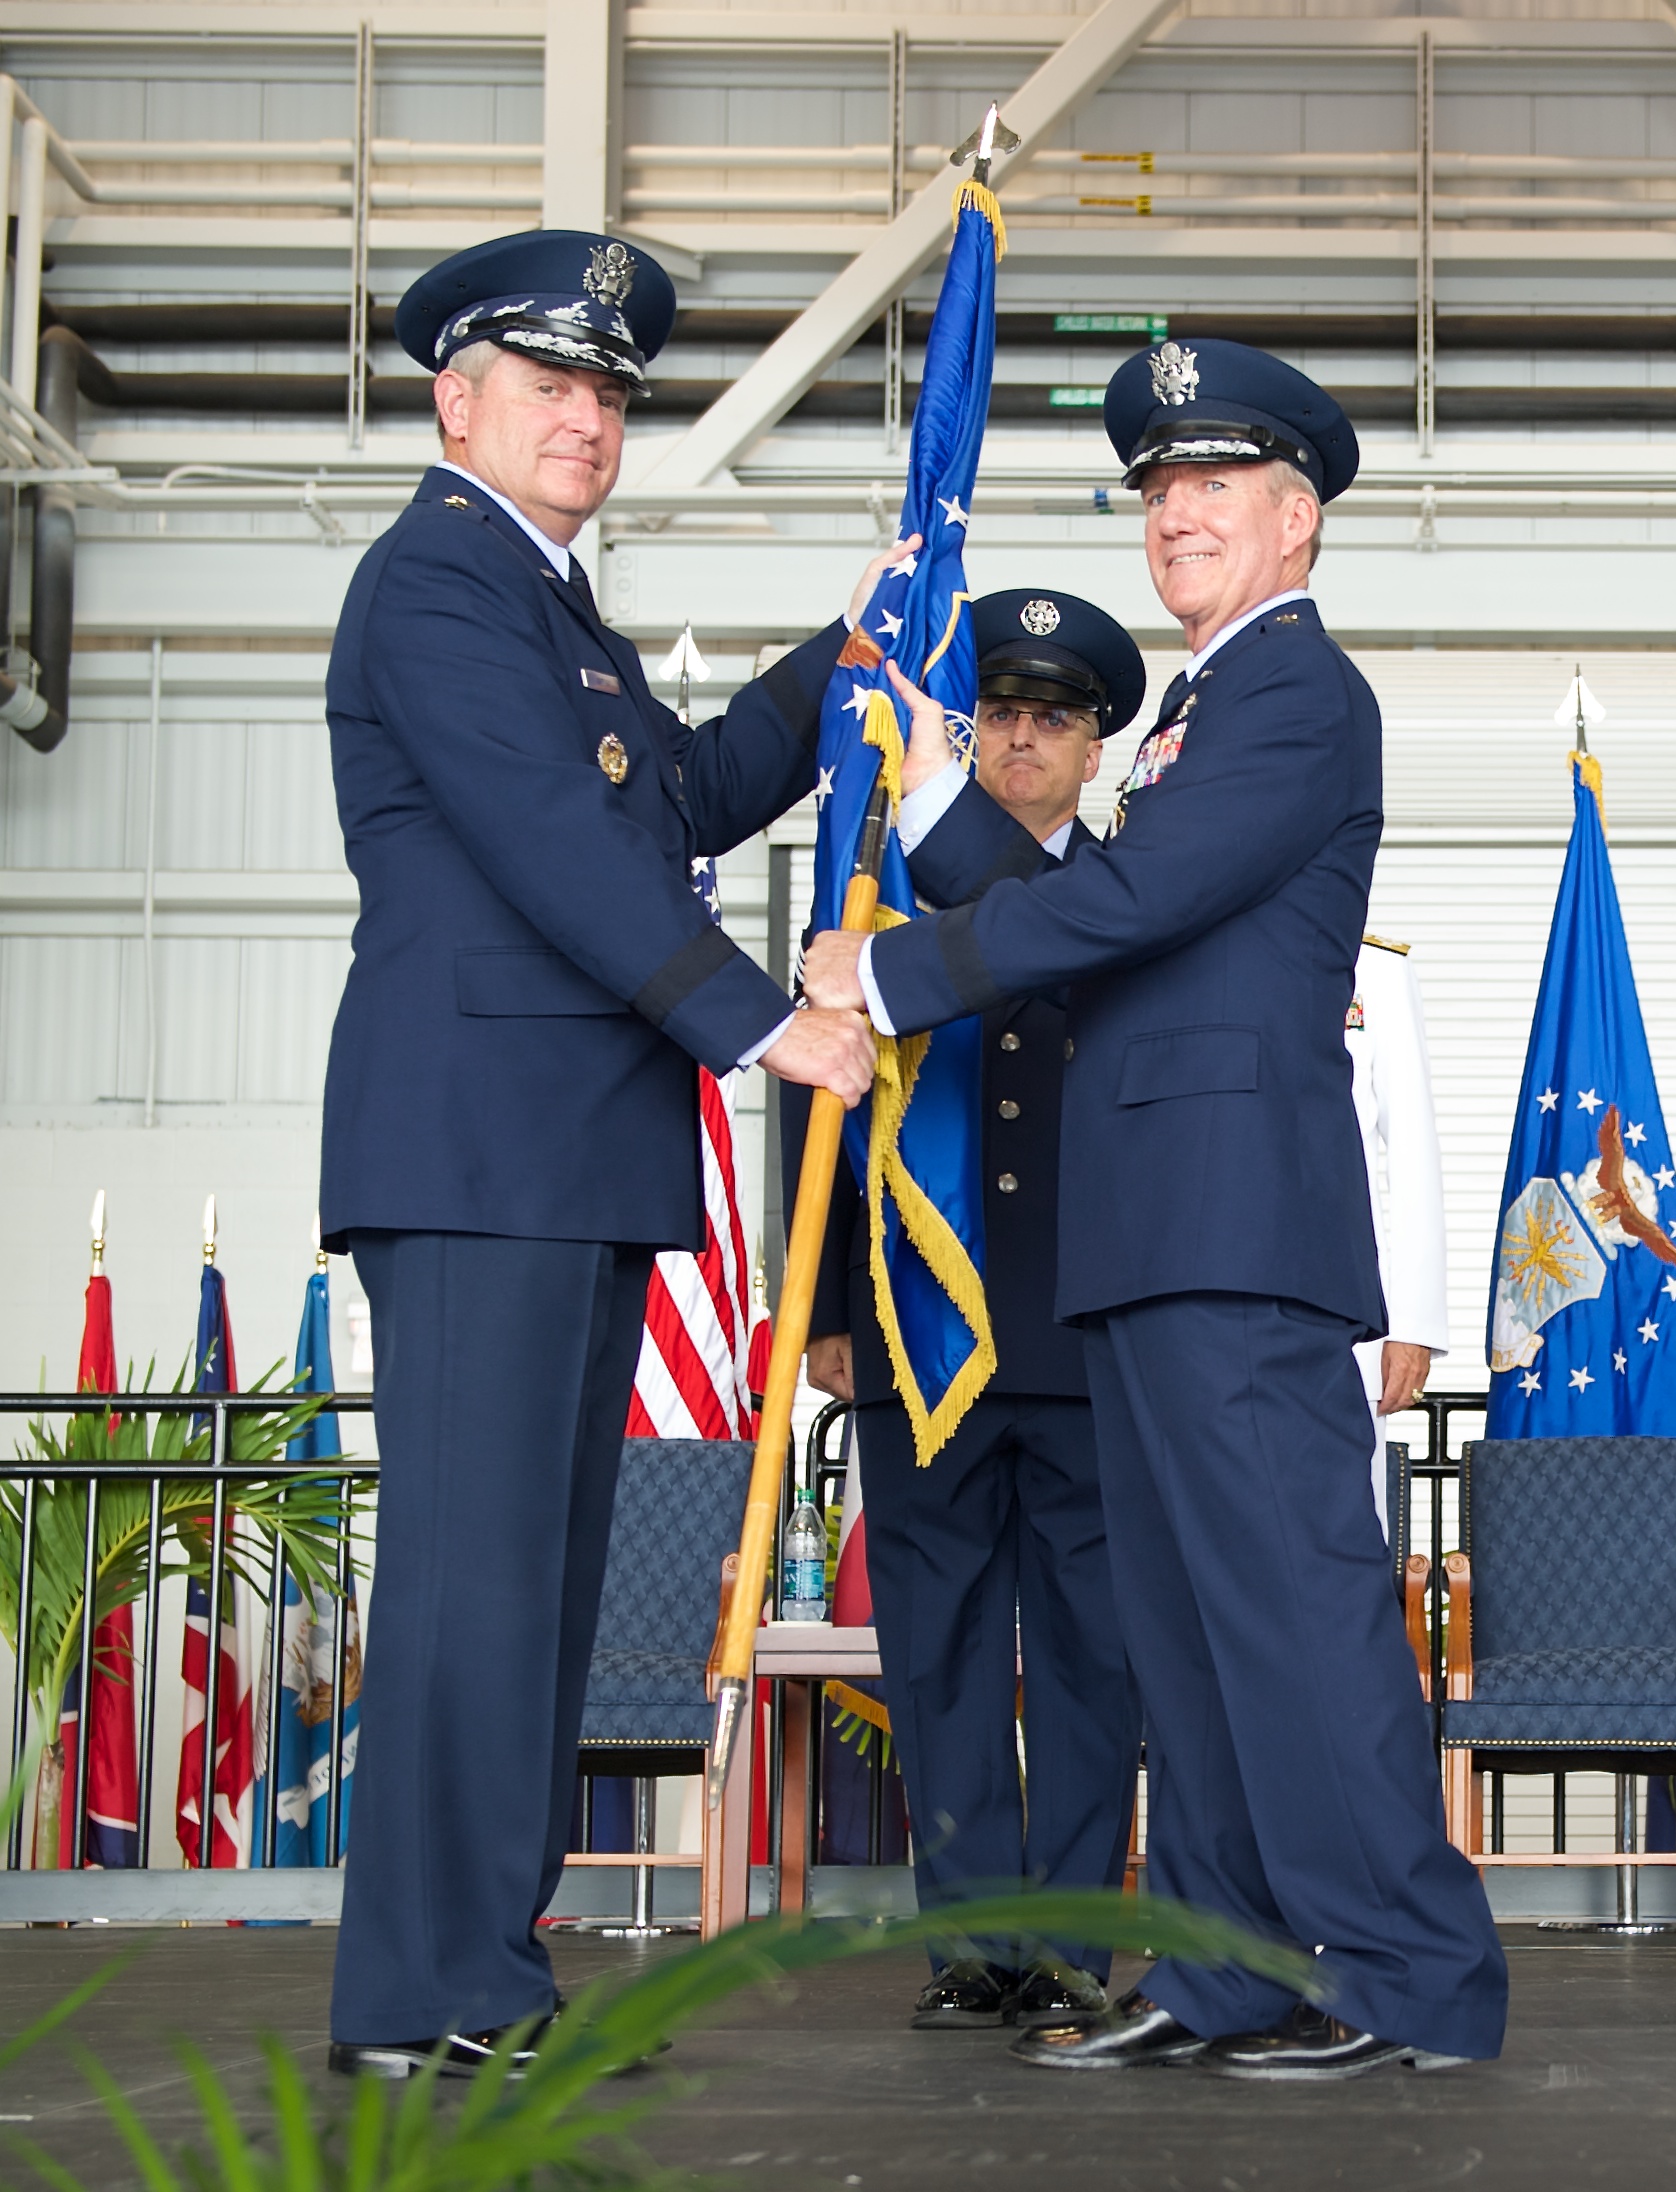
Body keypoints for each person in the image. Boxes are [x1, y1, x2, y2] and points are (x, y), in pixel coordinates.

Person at [802, 339, 1508, 2079]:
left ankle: (1415, 1973)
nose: (1172, 511)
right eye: (1154, 491)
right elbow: (1101, 895)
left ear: (1295, 525)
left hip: (1231, 1233)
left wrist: (893, 971)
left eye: (1210, 487)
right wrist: (909, 775)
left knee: (1284, 1606)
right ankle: (1220, 1967)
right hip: (1147, 1238)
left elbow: (1125, 901)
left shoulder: (1289, 695)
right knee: (1185, 1638)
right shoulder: (1195, 708)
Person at [320, 228, 890, 2079]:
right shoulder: (434, 586)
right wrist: (760, 1023)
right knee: (472, 1591)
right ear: (454, 401)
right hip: (481, 1153)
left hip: (560, 1157)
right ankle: (419, 1993)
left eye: (608, 394)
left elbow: (682, 802)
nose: (585, 416)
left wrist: (852, 653)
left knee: (539, 1598)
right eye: (551, 385)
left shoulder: (544, 601)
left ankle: (484, 1971)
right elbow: (559, 858)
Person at [793, 591, 1147, 2031]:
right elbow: (815, 1103)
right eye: (995, 712)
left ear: (1092, 749)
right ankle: (971, 1944)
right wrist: (819, 1300)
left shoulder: (1133, 896)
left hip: (1078, 1334)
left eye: (1049, 717)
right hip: (911, 1330)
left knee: (1084, 1653)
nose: (1018, 736)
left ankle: (1064, 1947)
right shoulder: (874, 895)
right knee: (935, 1648)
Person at [1347, 934, 1448, 1535]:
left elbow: (1413, 1153)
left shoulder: (1373, 969)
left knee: (1346, 1532)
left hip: (1345, 1321)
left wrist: (1409, 1325)